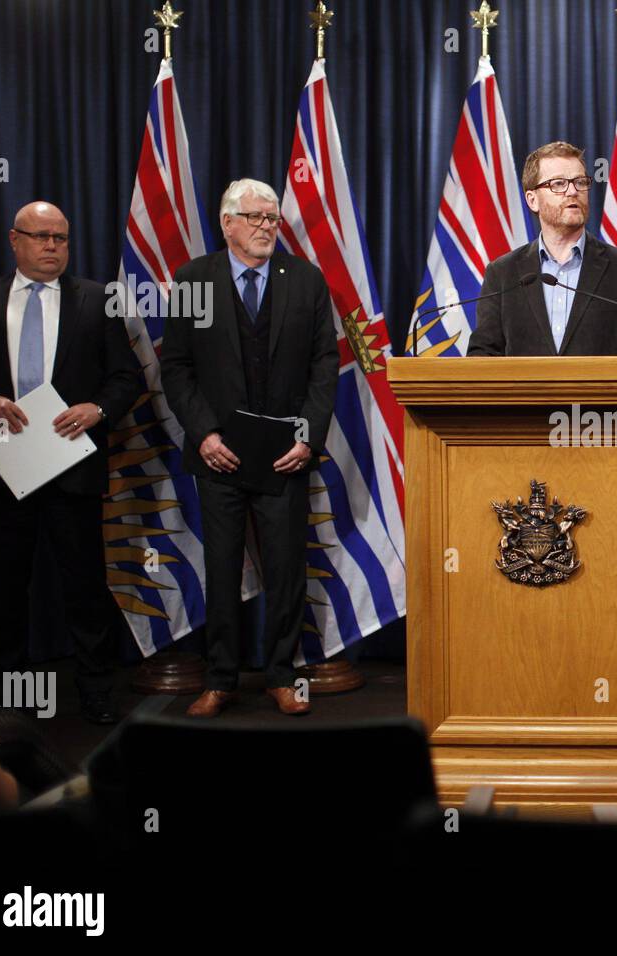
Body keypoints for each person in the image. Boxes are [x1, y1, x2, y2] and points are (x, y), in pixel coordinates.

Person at [0, 201, 142, 725]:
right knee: (5, 585)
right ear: (15, 241)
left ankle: (98, 689)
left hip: (71, 468)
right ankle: (6, 686)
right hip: (3, 466)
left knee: (84, 585)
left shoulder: (98, 301)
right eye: (41, 237)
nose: (52, 247)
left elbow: (128, 378)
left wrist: (97, 409)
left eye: (60, 237)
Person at [160, 179, 338, 718]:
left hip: (286, 454)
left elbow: (324, 366)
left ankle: (283, 676)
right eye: (257, 218)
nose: (267, 227)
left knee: (286, 567)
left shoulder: (305, 280)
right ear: (227, 223)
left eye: (273, 219)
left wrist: (307, 435)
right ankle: (220, 679)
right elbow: (177, 367)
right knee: (220, 568)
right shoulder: (194, 279)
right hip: (218, 453)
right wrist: (204, 435)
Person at [467, 141, 617, 356]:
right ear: (533, 200)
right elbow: (482, 355)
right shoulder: (502, 273)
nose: (572, 191)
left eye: (580, 182)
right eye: (558, 184)